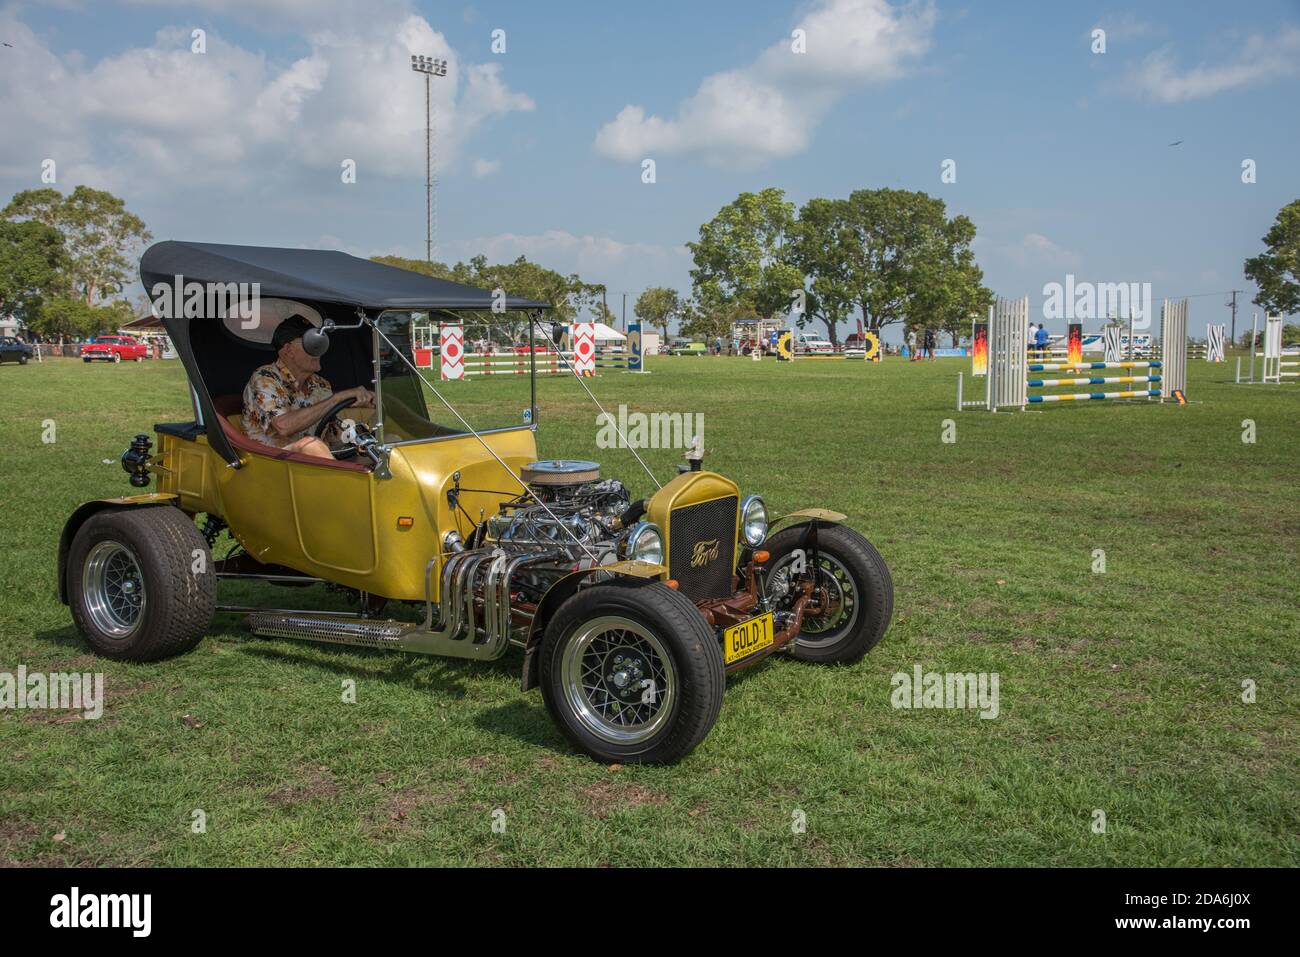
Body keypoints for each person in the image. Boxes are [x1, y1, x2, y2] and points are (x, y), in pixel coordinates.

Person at [242, 314, 374, 460]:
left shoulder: (321, 385)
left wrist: (359, 437)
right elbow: (283, 426)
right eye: (311, 343)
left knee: (383, 440)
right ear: (288, 350)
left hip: (313, 463)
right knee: (311, 445)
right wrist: (336, 399)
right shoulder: (265, 377)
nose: (318, 350)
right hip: (270, 463)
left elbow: (329, 435)